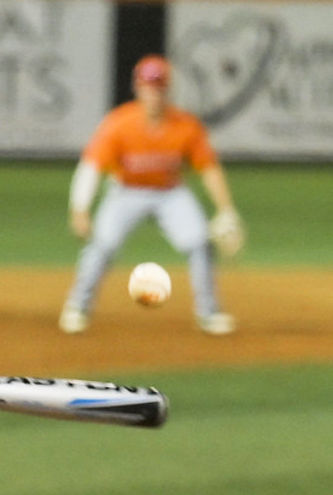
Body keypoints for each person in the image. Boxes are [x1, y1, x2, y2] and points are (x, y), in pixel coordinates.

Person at [59, 54, 245, 336]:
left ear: (167, 90)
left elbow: (208, 168)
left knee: (199, 242)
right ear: (138, 88)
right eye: (148, 86)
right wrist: (80, 208)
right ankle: (77, 307)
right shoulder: (120, 123)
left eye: (159, 87)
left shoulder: (185, 126)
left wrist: (226, 208)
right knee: (103, 243)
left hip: (170, 193)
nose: (153, 93)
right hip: (126, 191)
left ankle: (209, 312)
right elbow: (91, 166)